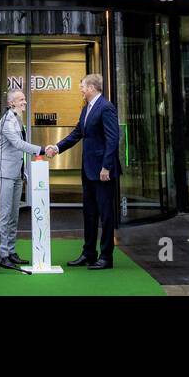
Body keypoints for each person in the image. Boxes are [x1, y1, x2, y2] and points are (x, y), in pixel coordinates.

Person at [45, 73, 119, 270]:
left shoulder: (106, 107)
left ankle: (106, 257)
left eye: (83, 87)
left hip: (103, 171)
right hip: (88, 171)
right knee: (89, 214)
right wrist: (57, 147)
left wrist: (107, 166)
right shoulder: (87, 108)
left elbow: (113, 139)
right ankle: (88, 253)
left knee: (106, 214)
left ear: (92, 88)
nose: (81, 90)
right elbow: (77, 133)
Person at [0, 89, 44, 270]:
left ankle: (11, 251)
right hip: (6, 173)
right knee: (5, 214)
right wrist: (42, 149)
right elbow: (18, 144)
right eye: (21, 99)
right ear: (11, 103)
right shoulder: (7, 120)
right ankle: (3, 254)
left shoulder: (17, 118)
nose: (24, 102)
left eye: (24, 99)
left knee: (14, 214)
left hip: (16, 173)